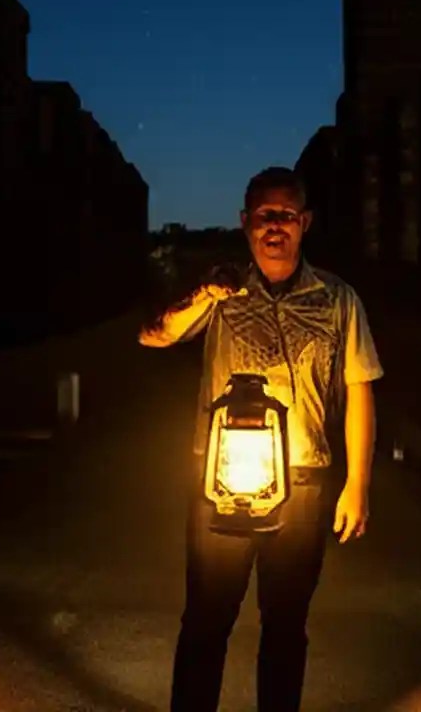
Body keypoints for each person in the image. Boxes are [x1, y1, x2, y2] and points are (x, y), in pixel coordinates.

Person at [139, 166, 384, 711]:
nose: (276, 227)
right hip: (220, 485)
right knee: (206, 621)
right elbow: (153, 336)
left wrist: (357, 485)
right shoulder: (221, 292)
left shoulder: (338, 301)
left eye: (287, 216)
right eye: (265, 215)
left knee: (285, 625)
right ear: (246, 222)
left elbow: (359, 388)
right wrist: (203, 293)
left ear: (306, 223)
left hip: (302, 484)